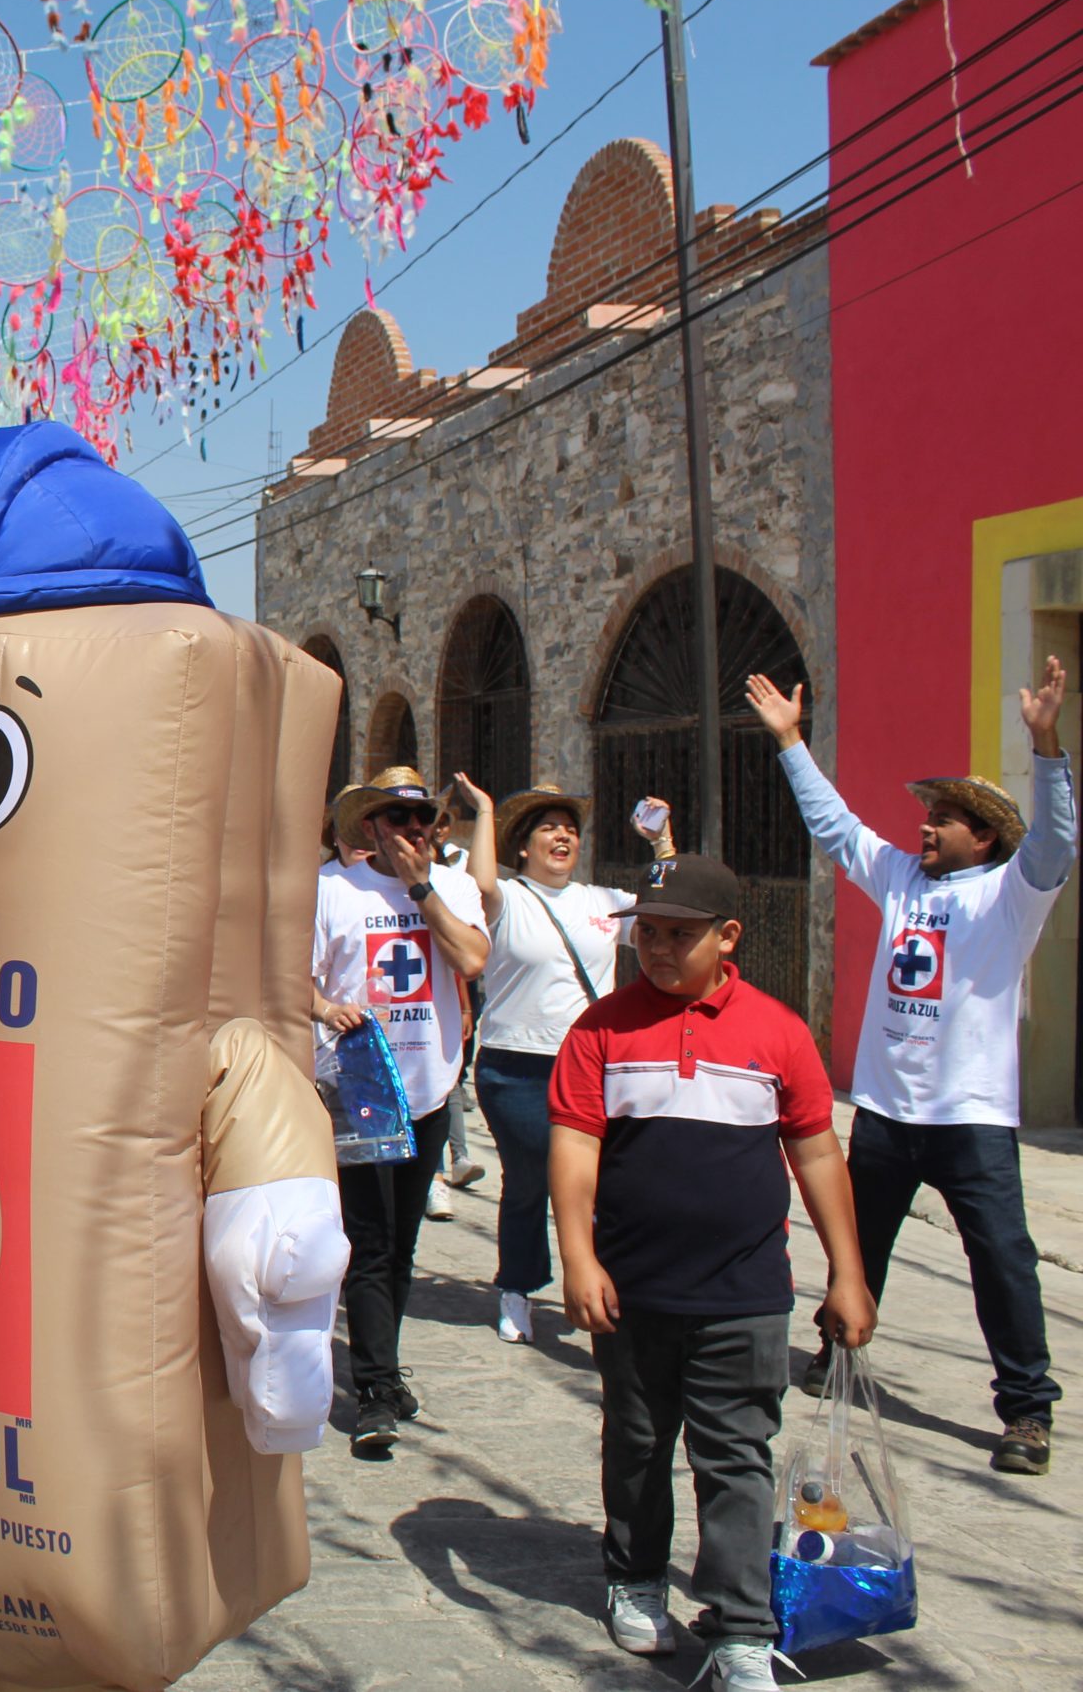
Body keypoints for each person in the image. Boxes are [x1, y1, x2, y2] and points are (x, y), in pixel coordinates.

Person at [549, 854, 874, 1692]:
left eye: (679, 934)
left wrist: (848, 1272)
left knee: (736, 1455)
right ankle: (635, 1576)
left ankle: (741, 1628)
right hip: (634, 1289)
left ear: (727, 937)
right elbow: (575, 1146)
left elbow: (816, 1152)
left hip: (745, 1291)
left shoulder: (779, 1031)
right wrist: (579, 1256)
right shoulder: (599, 1029)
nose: (657, 948)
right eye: (647, 932)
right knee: (637, 1441)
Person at [750, 663, 1071, 1477]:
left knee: (1003, 1261)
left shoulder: (1011, 895)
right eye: (928, 816)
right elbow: (835, 827)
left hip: (972, 1120)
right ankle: (838, 1345)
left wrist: (1045, 746)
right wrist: (790, 741)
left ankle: (1027, 1408)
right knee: (858, 1244)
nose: (926, 827)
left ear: (984, 837)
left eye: (944, 819)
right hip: (888, 1114)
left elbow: (1057, 844)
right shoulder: (898, 876)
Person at [454, 776, 673, 1344]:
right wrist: (485, 810)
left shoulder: (603, 902)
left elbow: (667, 909)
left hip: (592, 1066)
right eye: (549, 828)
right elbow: (479, 882)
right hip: (516, 1067)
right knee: (532, 1180)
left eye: (570, 830)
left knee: (603, 1184)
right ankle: (517, 1288)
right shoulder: (507, 898)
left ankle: (607, 1285)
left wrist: (661, 843)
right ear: (524, 847)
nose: (563, 837)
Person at [313, 767, 489, 1455]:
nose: (414, 830)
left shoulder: (451, 887)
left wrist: (421, 888)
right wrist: (326, 1008)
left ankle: (383, 1367)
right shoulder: (332, 889)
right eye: (398, 819)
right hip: (359, 1087)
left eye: (424, 820)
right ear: (371, 827)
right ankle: (377, 1391)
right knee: (369, 1241)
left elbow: (471, 959)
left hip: (429, 1088)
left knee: (402, 1244)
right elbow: (287, 975)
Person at [425, 789, 487, 1219]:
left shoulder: (451, 884)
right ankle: (435, 1175)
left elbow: (463, 963)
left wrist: (465, 1008)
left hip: (442, 1012)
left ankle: (453, 1163)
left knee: (448, 1084)